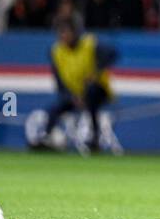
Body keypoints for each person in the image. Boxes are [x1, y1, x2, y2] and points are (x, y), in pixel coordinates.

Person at [39, 14, 118, 152]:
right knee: (54, 108)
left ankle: (94, 138)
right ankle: (46, 137)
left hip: (98, 90)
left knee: (91, 98)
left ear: (75, 32)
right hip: (74, 94)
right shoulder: (56, 52)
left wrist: (96, 72)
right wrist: (71, 97)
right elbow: (59, 82)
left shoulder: (89, 44)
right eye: (60, 33)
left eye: (66, 32)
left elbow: (112, 54)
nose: (63, 36)